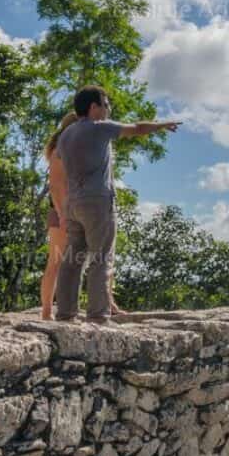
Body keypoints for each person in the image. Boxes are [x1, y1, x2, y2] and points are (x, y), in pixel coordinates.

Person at [54, 85, 181, 324]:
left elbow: (60, 164)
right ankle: (98, 316)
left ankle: (65, 314)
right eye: (106, 104)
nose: (108, 109)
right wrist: (162, 125)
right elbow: (138, 129)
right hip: (97, 200)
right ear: (94, 107)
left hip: (73, 202)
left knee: (72, 259)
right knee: (102, 257)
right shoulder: (100, 128)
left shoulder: (65, 135)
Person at [39, 112, 126, 320]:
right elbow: (55, 186)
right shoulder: (61, 149)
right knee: (57, 262)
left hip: (82, 209)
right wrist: (61, 214)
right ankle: (46, 311)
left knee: (103, 256)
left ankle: (109, 303)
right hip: (64, 212)